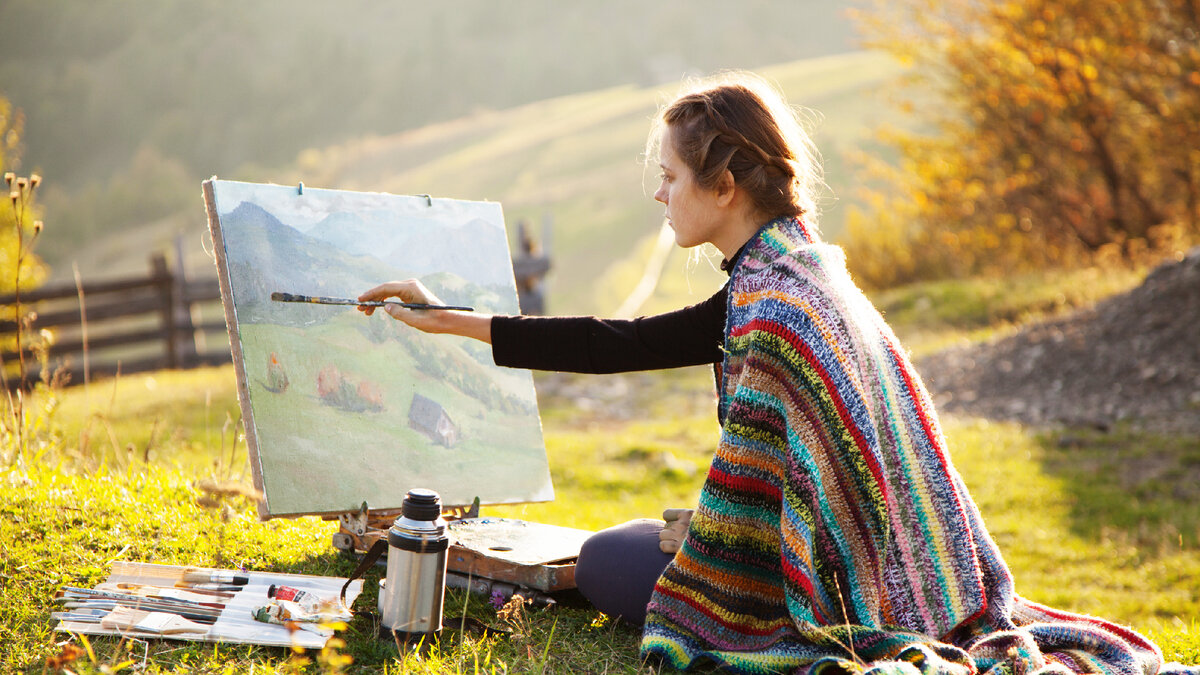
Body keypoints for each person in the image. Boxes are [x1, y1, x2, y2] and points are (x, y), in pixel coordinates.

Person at [359, 73, 1194, 675]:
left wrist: (707, 547)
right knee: (616, 552)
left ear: (723, 186)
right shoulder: (793, 270)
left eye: (670, 177)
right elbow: (622, 339)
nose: (659, 195)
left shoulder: (773, 306)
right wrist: (450, 319)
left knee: (608, 563)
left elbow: (751, 502)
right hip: (879, 554)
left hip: (827, 581)